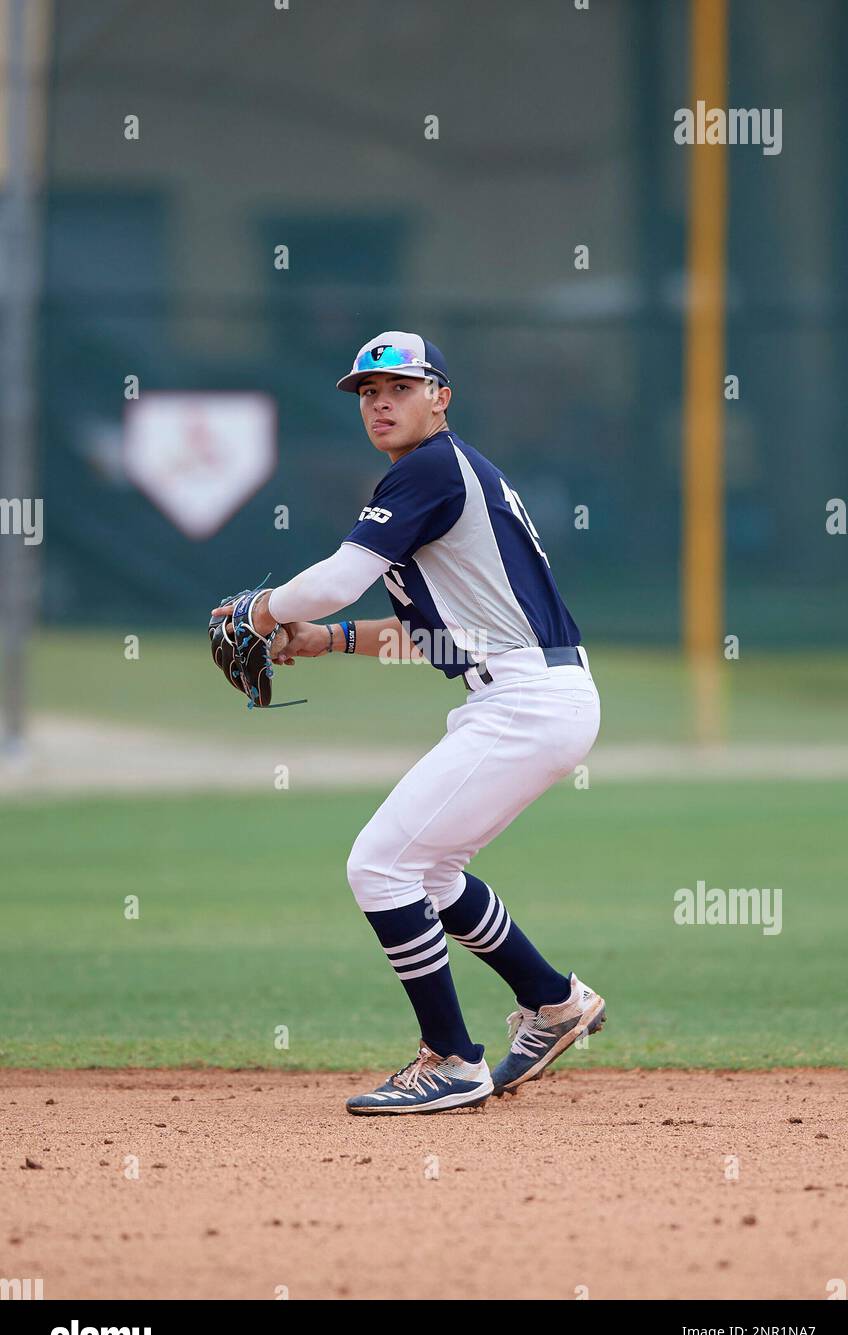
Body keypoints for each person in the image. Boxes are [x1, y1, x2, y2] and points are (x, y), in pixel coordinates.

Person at [212, 331, 606, 1115]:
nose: (381, 403)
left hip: (526, 703)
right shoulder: (435, 481)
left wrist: (259, 609)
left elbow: (334, 580)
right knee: (429, 873)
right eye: (367, 393)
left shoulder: (430, 468)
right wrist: (327, 639)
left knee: (378, 868)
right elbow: (439, 640)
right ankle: (554, 1001)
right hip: (523, 696)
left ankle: (454, 1061)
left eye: (399, 387)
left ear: (441, 396)